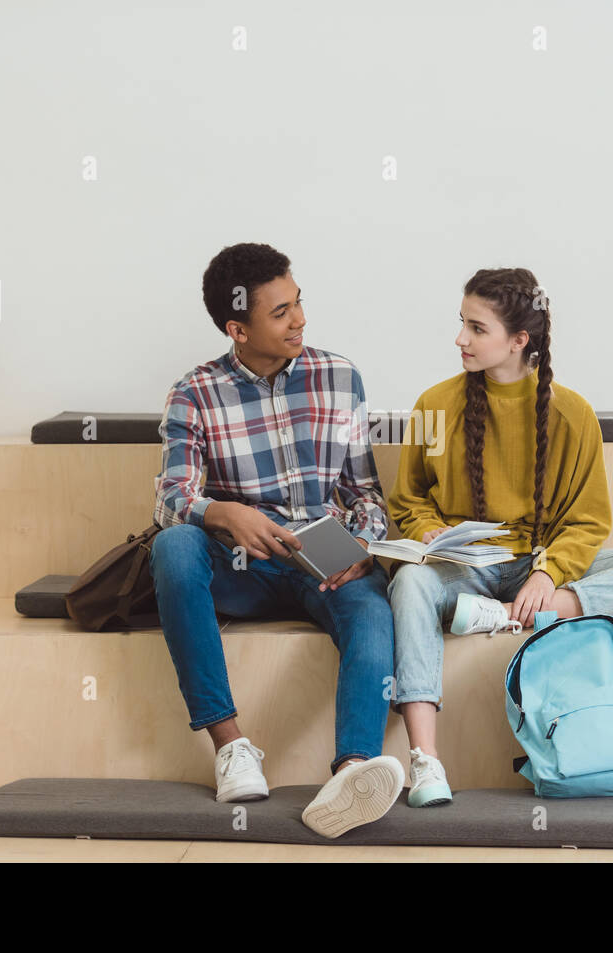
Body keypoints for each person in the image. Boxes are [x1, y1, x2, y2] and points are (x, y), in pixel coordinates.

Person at [386, 267, 613, 808]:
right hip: (465, 570)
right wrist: (429, 531)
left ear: (519, 340)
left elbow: (589, 521)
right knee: (409, 582)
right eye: (462, 324)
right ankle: (425, 759)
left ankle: (526, 613)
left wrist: (551, 576)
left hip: (541, 569)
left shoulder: (572, 414)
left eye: (476, 328)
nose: (461, 339)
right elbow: (408, 498)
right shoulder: (435, 403)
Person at [149, 242, 404, 838]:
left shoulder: (340, 377)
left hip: (324, 557)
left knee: (372, 608)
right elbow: (169, 501)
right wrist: (221, 511)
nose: (300, 321)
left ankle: (352, 771)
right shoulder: (195, 393)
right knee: (174, 547)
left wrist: (361, 545)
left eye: (299, 304)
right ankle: (231, 747)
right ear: (237, 328)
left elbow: (365, 493)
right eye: (281, 312)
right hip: (244, 565)